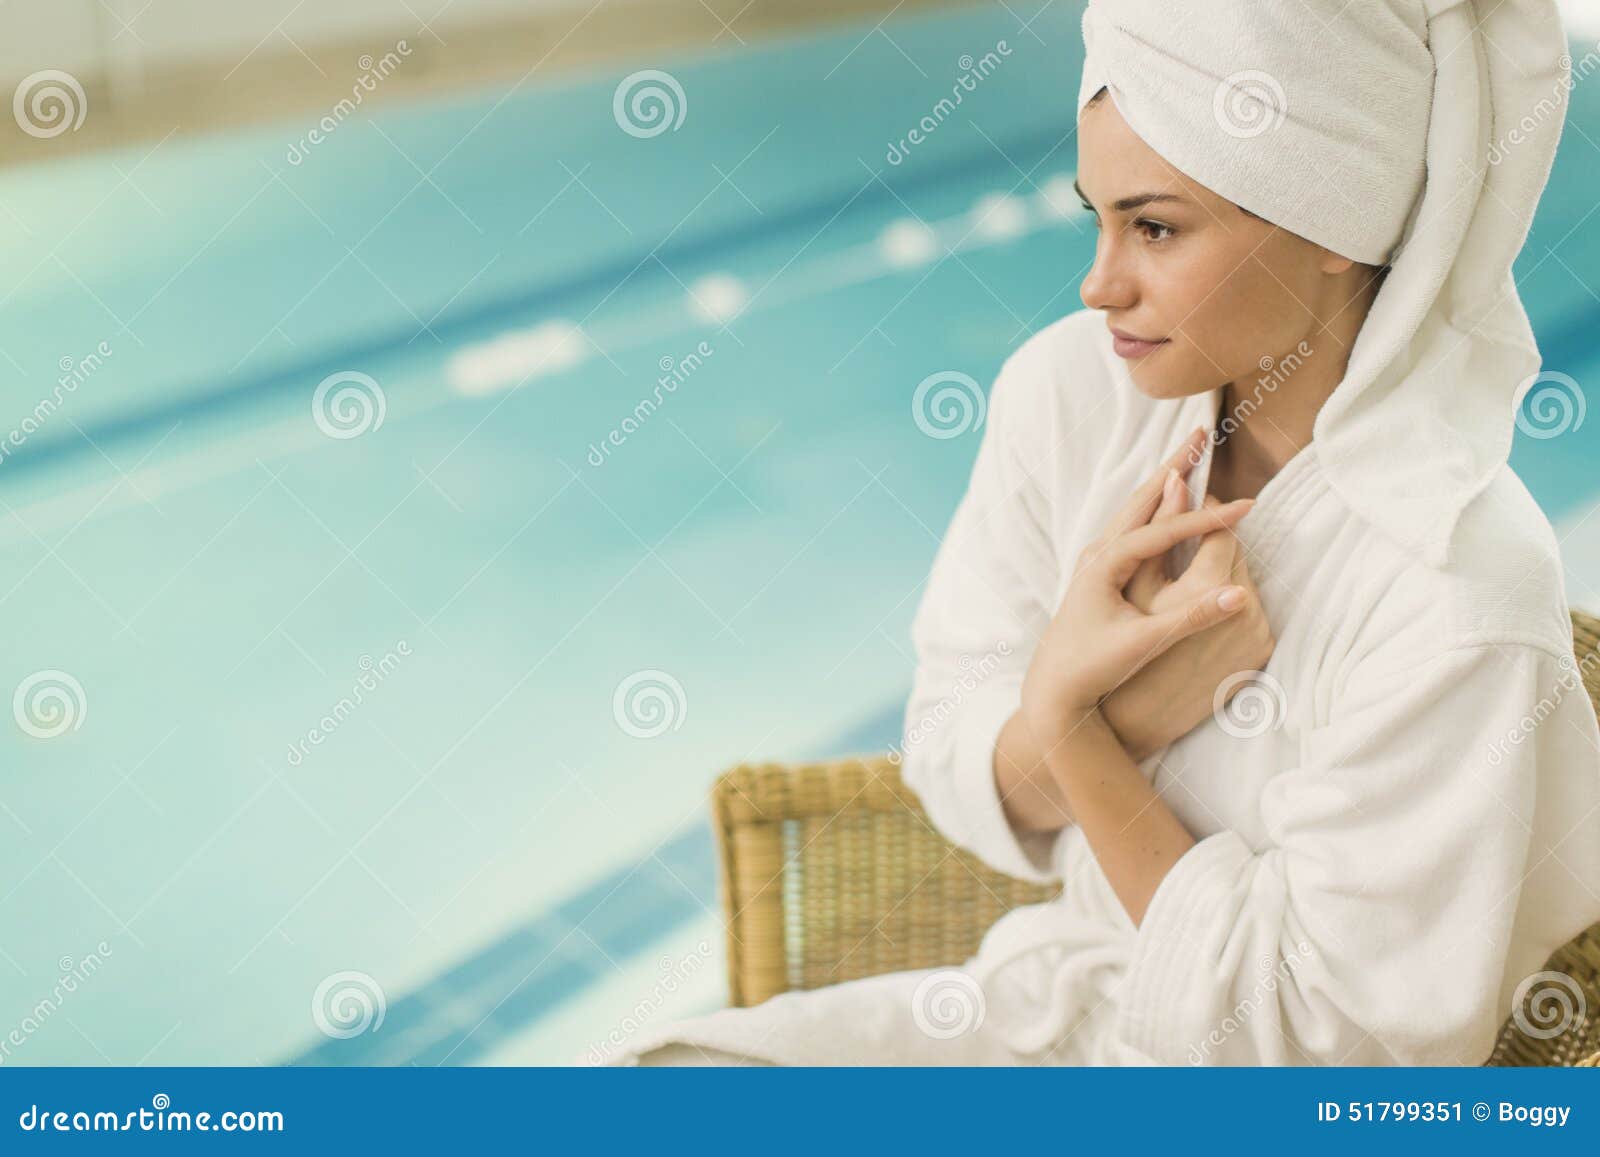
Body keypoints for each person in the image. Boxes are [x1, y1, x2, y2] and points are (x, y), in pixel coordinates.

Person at [606, 0, 1600, 1065]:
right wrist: (1127, 707)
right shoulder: (1074, 394)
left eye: (1155, 227)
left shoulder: (1455, 583)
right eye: (1096, 217)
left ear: (1335, 223)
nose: (1098, 282)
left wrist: (1078, 729)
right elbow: (947, 746)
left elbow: (1321, 1047)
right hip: (1047, 1013)